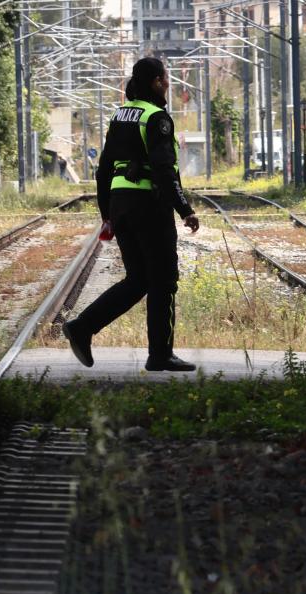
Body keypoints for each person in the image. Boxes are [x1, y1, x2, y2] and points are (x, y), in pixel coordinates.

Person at [62, 57, 200, 372]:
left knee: (139, 280)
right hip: (149, 206)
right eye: (166, 78)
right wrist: (185, 209)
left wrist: (106, 213)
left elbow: (104, 170)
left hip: (122, 206)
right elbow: (165, 171)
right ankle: (160, 354)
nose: (168, 83)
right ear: (155, 81)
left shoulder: (121, 115)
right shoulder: (156, 118)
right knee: (164, 279)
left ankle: (83, 327)